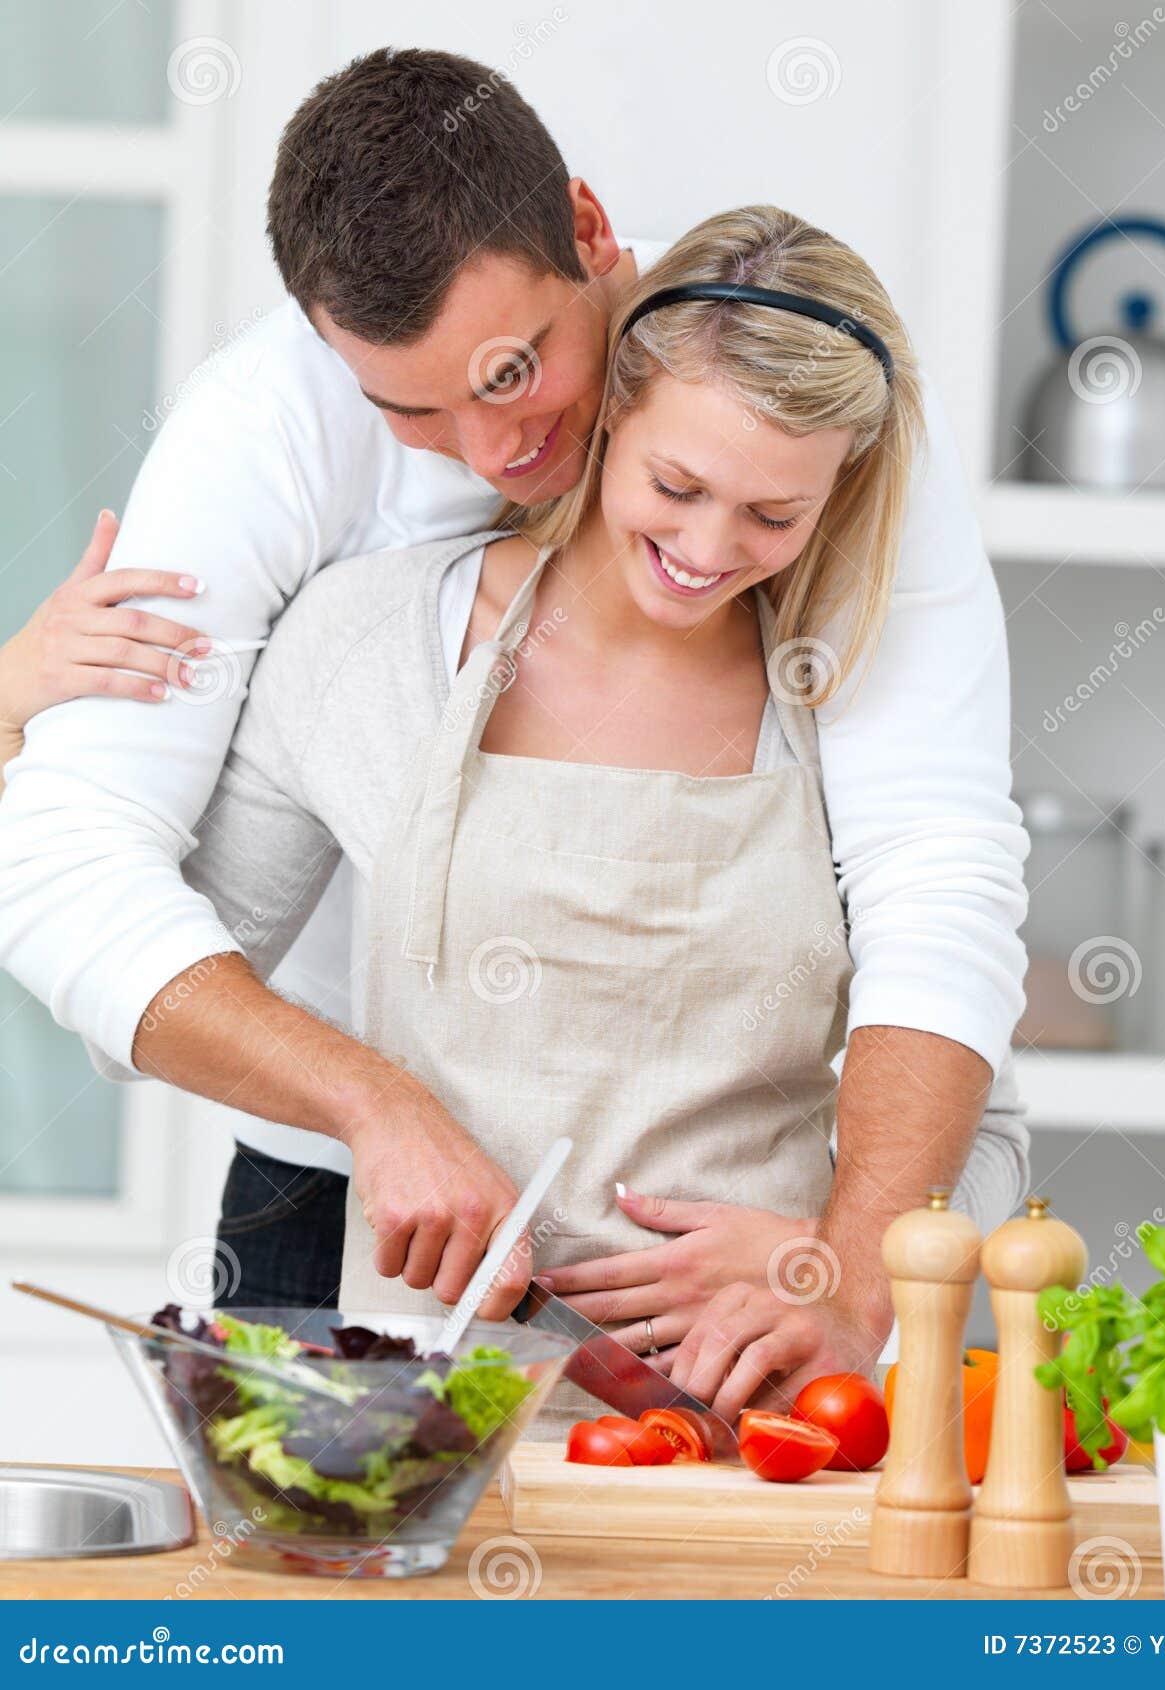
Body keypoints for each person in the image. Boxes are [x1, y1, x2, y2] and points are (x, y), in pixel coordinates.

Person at [0, 50, 1028, 1368]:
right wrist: (373, 1098)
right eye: (407, 411)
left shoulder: (801, 401)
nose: (494, 455)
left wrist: (850, 1255)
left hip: (740, 1273)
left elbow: (935, 873)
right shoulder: (270, 447)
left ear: (593, 239)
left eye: (509, 374)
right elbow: (69, 874)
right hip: (357, 1200)